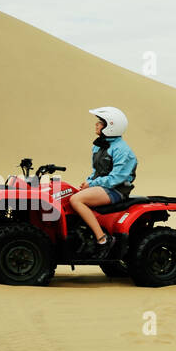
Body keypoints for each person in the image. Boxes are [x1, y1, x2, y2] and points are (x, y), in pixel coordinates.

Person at [69, 106, 137, 253]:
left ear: (110, 126)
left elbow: (116, 178)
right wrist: (87, 182)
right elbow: (97, 172)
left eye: (100, 122)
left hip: (116, 190)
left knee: (76, 200)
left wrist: (92, 184)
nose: (97, 124)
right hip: (103, 187)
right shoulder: (100, 146)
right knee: (68, 195)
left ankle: (102, 239)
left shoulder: (122, 150)